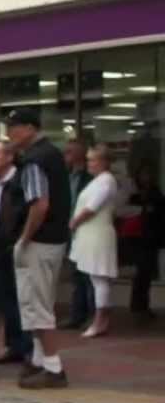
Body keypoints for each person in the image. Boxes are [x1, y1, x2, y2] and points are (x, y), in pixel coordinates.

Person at [5, 107, 72, 389]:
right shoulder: (53, 154)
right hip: (53, 240)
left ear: (30, 128)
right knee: (34, 303)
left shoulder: (35, 160)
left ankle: (54, 367)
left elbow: (39, 204)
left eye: (14, 128)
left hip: (39, 241)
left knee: (39, 304)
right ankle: (39, 360)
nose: (10, 134)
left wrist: (24, 237)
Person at [0, 140, 31, 364]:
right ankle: (14, 344)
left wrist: (20, 240)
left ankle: (27, 345)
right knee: (5, 298)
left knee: (21, 297)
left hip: (15, 244)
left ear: (9, 157)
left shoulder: (19, 181)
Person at [68, 144, 119, 338]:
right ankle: (101, 320)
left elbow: (92, 208)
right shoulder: (98, 180)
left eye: (93, 159)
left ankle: (99, 321)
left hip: (97, 233)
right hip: (90, 234)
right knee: (95, 278)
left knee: (99, 278)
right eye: (88, 159)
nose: (89, 163)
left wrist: (74, 222)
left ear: (104, 162)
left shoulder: (106, 181)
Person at [62, 140, 95, 330]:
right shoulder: (66, 176)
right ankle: (76, 314)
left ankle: (92, 315)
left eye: (69, 152)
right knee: (76, 274)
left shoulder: (89, 178)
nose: (65, 156)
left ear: (79, 155)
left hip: (84, 228)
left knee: (88, 275)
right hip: (70, 230)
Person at [127, 165, 163, 320]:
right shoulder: (134, 194)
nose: (145, 177)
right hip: (137, 238)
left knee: (146, 273)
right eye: (143, 174)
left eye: (148, 174)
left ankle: (142, 306)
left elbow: (159, 214)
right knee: (140, 273)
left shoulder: (156, 193)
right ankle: (137, 305)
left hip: (150, 239)